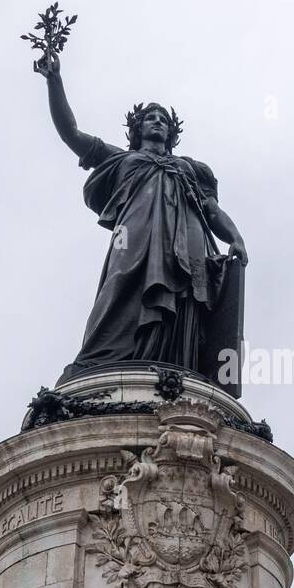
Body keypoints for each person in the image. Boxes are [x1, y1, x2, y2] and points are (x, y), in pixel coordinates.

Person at [36, 50, 248, 390]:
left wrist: (234, 236)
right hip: (134, 236)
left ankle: (176, 368)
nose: (157, 121)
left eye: (163, 118)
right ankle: (101, 362)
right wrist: (54, 80)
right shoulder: (121, 159)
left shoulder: (191, 169)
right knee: (120, 286)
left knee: (186, 298)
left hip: (190, 239)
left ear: (172, 131)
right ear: (137, 128)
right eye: (150, 117)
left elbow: (210, 210)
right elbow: (71, 134)